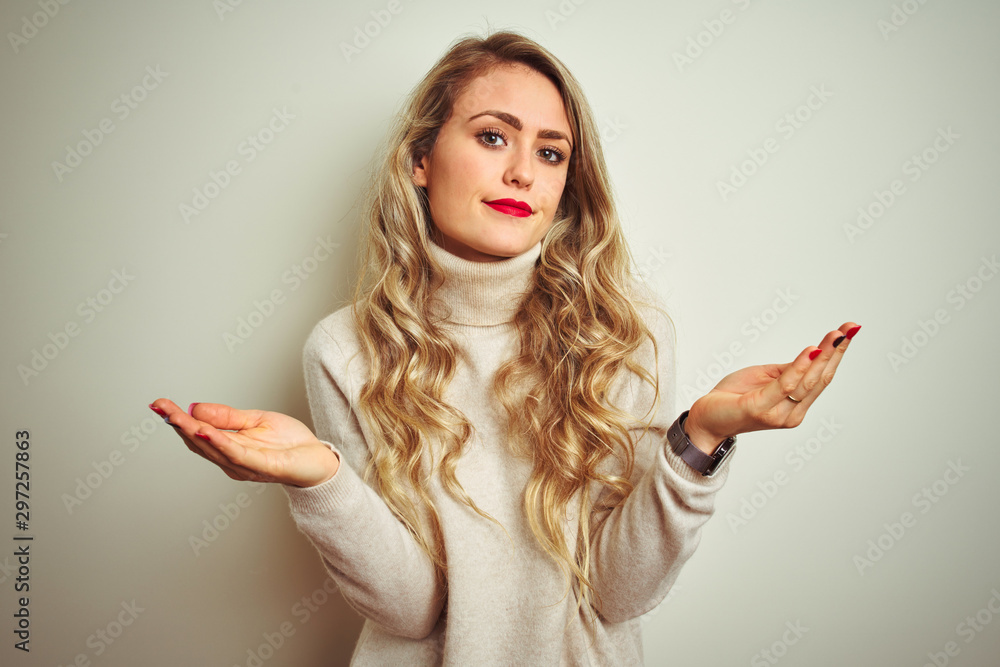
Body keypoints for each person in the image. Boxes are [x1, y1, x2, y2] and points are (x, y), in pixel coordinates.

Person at [150, 29, 861, 666]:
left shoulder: (627, 331)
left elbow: (618, 594)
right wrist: (320, 480)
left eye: (550, 153)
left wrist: (699, 438)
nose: (524, 171)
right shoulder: (345, 349)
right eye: (494, 137)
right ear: (422, 159)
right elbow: (410, 611)